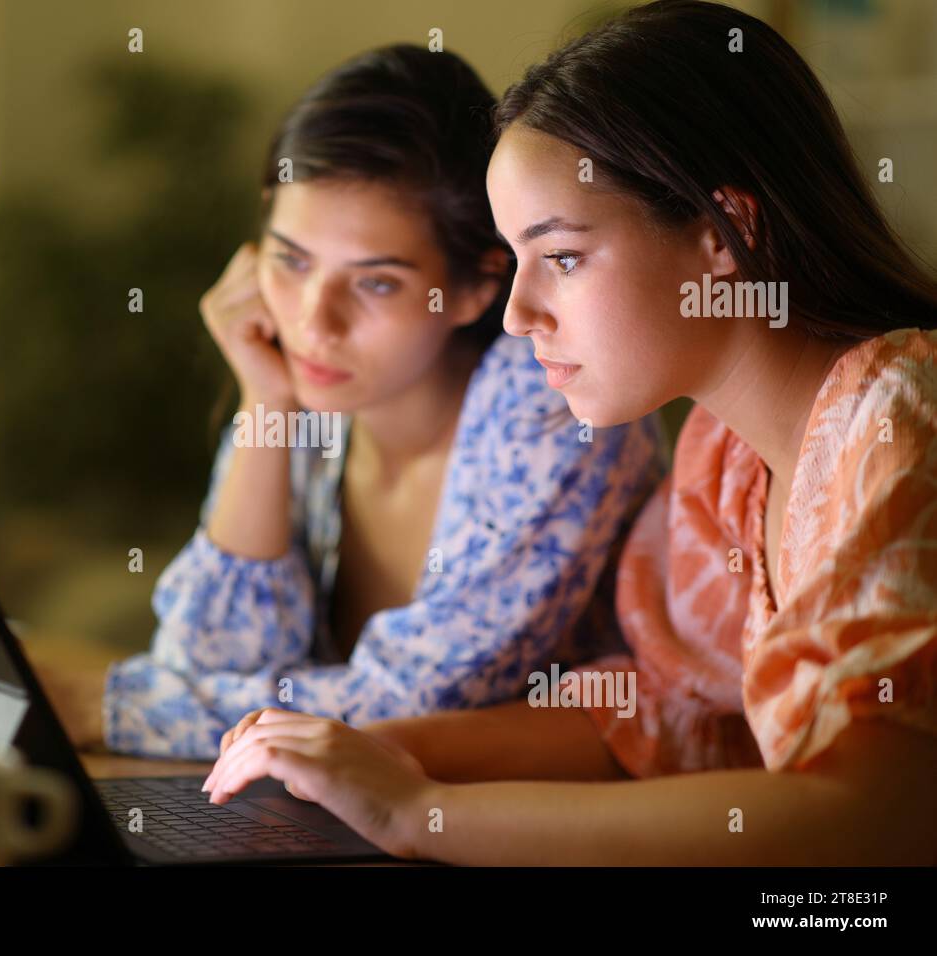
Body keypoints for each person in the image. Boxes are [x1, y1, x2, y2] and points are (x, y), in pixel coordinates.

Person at [204, 1, 937, 865]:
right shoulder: (725, 460)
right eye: (517, 261)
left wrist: (419, 813)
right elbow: (662, 717)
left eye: (561, 258)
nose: (518, 316)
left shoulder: (903, 414)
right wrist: (381, 749)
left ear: (726, 234)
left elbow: (871, 822)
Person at [57, 44, 662, 758]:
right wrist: (265, 400)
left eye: (376, 283)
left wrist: (117, 707)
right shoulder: (310, 404)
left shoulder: (547, 406)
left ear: (473, 285)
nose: (314, 322)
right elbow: (205, 657)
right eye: (291, 261)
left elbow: (414, 702)